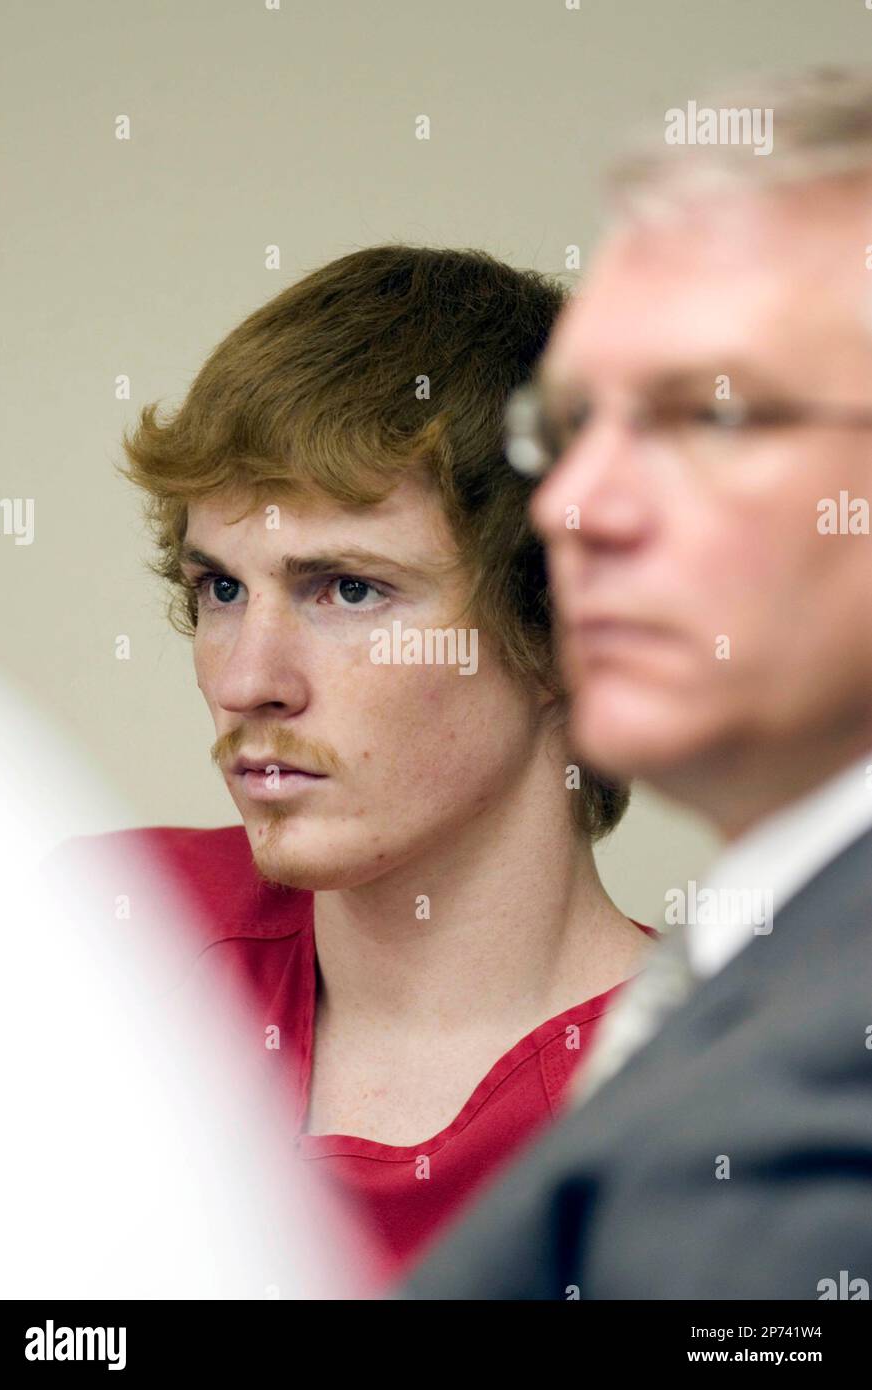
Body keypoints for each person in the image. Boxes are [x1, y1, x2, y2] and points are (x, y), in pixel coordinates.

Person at [52, 245, 654, 1290]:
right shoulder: (101, 942)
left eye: (348, 590)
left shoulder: (720, 1106)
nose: (248, 681)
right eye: (221, 589)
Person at [397, 67, 872, 1300]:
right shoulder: (770, 955)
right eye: (565, 430)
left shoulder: (832, 1071)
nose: (573, 505)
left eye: (706, 417)